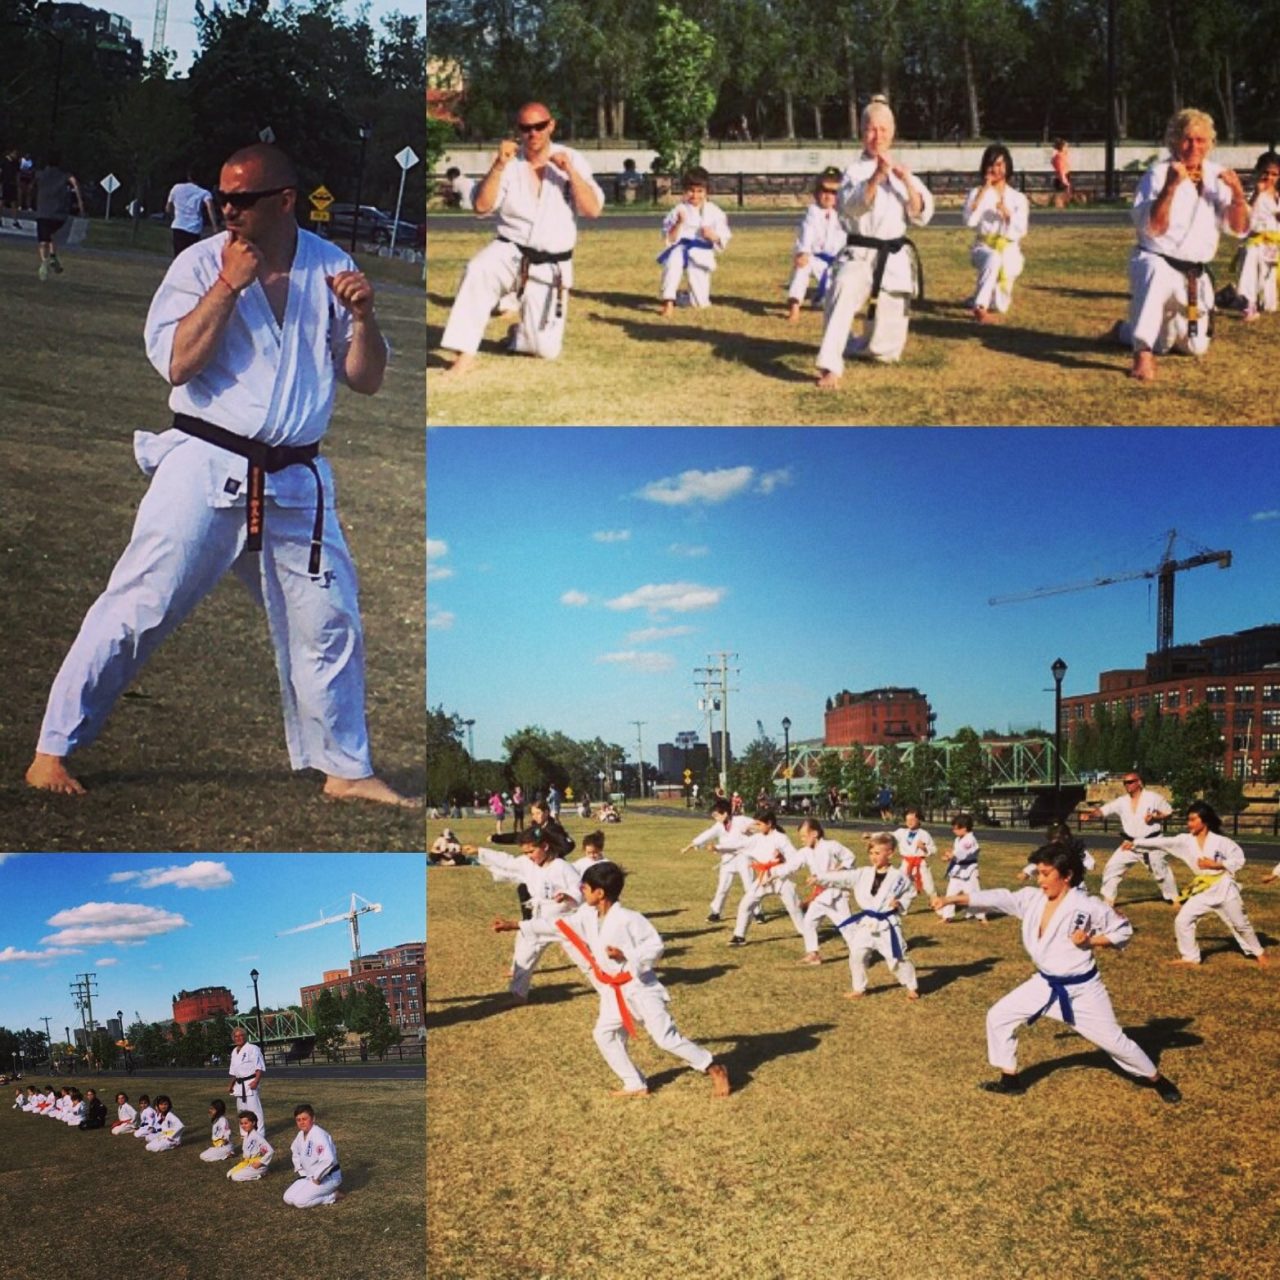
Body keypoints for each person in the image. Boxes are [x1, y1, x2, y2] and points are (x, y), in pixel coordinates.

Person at [24, 143, 416, 808]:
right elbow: (178, 364)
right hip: (204, 464)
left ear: (285, 201)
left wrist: (364, 319)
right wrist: (228, 284)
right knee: (140, 606)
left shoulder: (331, 266)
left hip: (296, 477)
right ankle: (51, 751)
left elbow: (367, 380)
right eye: (221, 198)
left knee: (329, 620)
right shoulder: (199, 264)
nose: (226, 210)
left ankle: (346, 769)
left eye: (242, 200)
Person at [931, 842, 1181, 1102]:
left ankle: (1156, 1079)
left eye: (1046, 873)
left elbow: (1123, 930)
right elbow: (998, 897)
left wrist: (1090, 942)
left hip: (1082, 989)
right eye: (1038, 872)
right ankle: (1010, 1079)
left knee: (1114, 1042)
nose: (1040, 880)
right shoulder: (1032, 899)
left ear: (1067, 875)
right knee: (999, 1016)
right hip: (1044, 983)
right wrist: (951, 899)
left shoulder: (1088, 906)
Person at [494, 861, 731, 1098]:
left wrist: (626, 954)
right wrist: (516, 925)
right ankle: (635, 1083)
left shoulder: (630, 918)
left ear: (600, 893)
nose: (581, 892)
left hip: (639, 988)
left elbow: (655, 947)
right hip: (612, 990)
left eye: (585, 888)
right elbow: (559, 925)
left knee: (665, 1038)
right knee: (604, 1034)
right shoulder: (587, 915)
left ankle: (713, 1067)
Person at [439, 102, 604, 373]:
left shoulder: (571, 159)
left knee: (544, 350)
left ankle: (519, 335)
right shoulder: (510, 164)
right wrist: (498, 165)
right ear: (518, 131)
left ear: (551, 125)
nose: (533, 133)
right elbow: (481, 207)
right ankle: (464, 354)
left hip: (552, 261)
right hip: (510, 250)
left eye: (539, 126)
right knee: (479, 269)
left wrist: (570, 173)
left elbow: (593, 209)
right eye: (526, 128)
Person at [1110, 108, 1249, 382]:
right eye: (1187, 139)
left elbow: (1238, 227)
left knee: (1192, 346)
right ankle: (1142, 352)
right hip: (1158, 259)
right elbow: (1153, 227)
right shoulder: (1158, 173)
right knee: (1154, 278)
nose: (1194, 146)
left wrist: (1238, 193)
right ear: (1174, 140)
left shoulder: (1218, 175)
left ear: (1211, 143)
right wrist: (1171, 188)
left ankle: (1124, 331)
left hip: (1194, 272)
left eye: (1201, 140)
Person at [815, 96, 933, 387]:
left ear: (892, 133)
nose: (877, 136)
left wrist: (904, 181)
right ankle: (830, 365)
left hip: (892, 259)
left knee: (885, 352)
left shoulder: (904, 172)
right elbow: (850, 207)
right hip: (859, 253)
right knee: (842, 289)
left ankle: (857, 344)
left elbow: (921, 215)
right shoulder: (854, 172)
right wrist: (875, 179)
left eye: (883, 129)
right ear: (861, 132)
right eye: (870, 129)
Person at [1126, 801, 1269, 967]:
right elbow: (1162, 842)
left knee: (1240, 924)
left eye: (1193, 820)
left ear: (1204, 821)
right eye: (1188, 820)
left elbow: (1239, 859)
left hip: (1224, 888)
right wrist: (1135, 843)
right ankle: (1190, 957)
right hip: (1203, 890)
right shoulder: (1185, 841)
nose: (1189, 824)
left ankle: (1260, 954)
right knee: (1183, 921)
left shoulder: (1222, 842)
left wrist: (1217, 865)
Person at [468, 828, 585, 1002]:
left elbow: (580, 889)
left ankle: (610, 985)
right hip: (538, 919)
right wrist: (480, 851)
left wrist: (568, 896)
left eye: (532, 851)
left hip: (564, 921)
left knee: (586, 958)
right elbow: (506, 861)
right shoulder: (526, 863)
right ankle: (518, 993)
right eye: (525, 852)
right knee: (524, 955)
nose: (529, 856)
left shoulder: (562, 867)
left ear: (545, 846)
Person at [816, 831, 920, 998]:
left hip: (887, 924)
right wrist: (820, 878)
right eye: (871, 853)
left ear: (890, 853)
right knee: (856, 954)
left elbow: (911, 892)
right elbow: (842, 878)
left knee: (897, 957)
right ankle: (859, 988)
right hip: (867, 923)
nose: (873, 856)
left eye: (877, 853)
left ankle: (911, 986)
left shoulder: (899, 877)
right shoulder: (863, 873)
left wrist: (900, 903)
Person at [1082, 772, 1176, 908]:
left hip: (1152, 842)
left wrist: (1156, 818)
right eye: (1125, 782)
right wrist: (1090, 816)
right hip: (1130, 844)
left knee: (1161, 871)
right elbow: (1103, 810)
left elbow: (1169, 813)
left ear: (1139, 782)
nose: (1127, 785)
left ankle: (1174, 899)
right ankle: (1108, 900)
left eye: (1130, 782)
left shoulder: (1153, 798)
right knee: (1112, 867)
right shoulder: (1122, 801)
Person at [963, 144, 1029, 322]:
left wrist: (1007, 214)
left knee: (1000, 305)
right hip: (983, 247)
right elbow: (969, 221)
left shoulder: (1018, 198)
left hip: (1009, 250)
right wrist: (984, 190)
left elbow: (1021, 229)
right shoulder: (977, 193)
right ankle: (980, 307)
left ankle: (977, 298)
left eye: (1000, 164)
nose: (995, 169)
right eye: (992, 164)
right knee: (993, 258)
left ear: (1007, 167)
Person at [658, 167, 731, 316]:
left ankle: (683, 297)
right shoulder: (678, 210)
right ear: (684, 191)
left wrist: (713, 236)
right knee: (673, 264)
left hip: (701, 252)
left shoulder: (715, 212)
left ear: (706, 192)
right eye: (691, 190)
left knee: (700, 304)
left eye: (699, 191)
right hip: (680, 248)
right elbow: (669, 239)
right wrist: (678, 224)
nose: (695, 195)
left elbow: (723, 237)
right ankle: (668, 302)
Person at [728, 808, 806, 947]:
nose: (756, 827)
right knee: (746, 903)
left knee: (794, 908)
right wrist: (718, 848)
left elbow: (795, 859)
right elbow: (739, 845)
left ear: (769, 823)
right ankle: (739, 936)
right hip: (764, 879)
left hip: (782, 879)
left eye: (759, 824)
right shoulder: (758, 838)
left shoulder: (781, 838)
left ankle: (807, 933)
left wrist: (782, 859)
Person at [679, 796, 757, 923]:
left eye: (716, 815)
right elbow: (706, 834)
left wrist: (751, 828)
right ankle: (716, 912)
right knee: (722, 887)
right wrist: (690, 845)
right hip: (727, 859)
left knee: (749, 886)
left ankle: (758, 912)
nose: (715, 818)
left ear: (725, 813)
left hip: (744, 857)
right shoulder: (719, 826)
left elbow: (760, 825)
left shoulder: (741, 820)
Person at [786, 169, 848, 322]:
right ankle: (794, 307)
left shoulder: (844, 214)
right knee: (802, 268)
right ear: (816, 192)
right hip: (814, 257)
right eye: (824, 191)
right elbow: (807, 232)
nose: (828, 196)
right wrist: (804, 252)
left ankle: (820, 298)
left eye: (834, 192)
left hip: (837, 263)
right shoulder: (813, 211)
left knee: (834, 298)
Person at [794, 818, 857, 965]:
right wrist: (775, 872)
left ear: (815, 833)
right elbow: (792, 865)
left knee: (846, 926)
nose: (802, 839)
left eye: (804, 836)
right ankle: (813, 954)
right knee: (809, 922)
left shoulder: (831, 846)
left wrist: (839, 870)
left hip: (836, 894)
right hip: (821, 895)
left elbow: (850, 857)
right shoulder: (807, 852)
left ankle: (861, 954)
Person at [1236, 150, 1280, 321]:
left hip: (1274, 246)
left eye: (1274, 174)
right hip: (1256, 241)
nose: (1269, 177)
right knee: (1250, 254)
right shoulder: (1250, 192)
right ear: (1259, 171)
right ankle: (1249, 304)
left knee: (1269, 306)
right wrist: (1256, 194)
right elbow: (1243, 220)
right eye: (1266, 173)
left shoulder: (1278, 196)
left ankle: (1233, 295)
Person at [32, 153, 85, 281]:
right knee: (52, 234)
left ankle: (44, 262)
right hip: (59, 213)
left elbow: (31, 184)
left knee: (43, 240)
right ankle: (53, 255)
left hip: (43, 211)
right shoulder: (64, 175)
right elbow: (75, 183)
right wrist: (80, 202)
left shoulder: (41, 174)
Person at [284, 1104, 343, 1207]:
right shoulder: (300, 1135)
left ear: (313, 1118)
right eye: (298, 1120)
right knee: (288, 1198)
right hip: (309, 1176)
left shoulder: (319, 1135)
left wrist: (317, 1177)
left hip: (328, 1177)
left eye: (304, 1119)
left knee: (300, 1202)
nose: (301, 1122)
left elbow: (329, 1159)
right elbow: (295, 1151)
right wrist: (301, 1171)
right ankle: (313, 1188)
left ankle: (332, 1196)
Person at [938, 813, 986, 922]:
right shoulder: (958, 839)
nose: (953, 831)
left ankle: (982, 917)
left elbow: (963, 852)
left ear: (964, 828)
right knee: (950, 894)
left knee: (974, 894)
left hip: (969, 871)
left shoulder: (970, 839)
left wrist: (952, 855)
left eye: (956, 828)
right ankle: (947, 916)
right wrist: (949, 856)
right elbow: (957, 853)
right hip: (957, 871)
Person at [166, 167, 218, 257]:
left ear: (189, 177)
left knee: (178, 256)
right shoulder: (204, 193)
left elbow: (168, 207)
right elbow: (210, 208)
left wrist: (173, 215)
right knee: (190, 256)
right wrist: (215, 226)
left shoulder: (176, 188)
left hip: (178, 225)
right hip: (194, 228)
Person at [891, 809, 937, 902]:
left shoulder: (924, 834)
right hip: (906, 863)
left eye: (912, 819)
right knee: (899, 883)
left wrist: (924, 848)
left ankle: (937, 903)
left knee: (929, 886)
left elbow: (934, 849)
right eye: (907, 820)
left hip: (920, 864)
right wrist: (872, 836)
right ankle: (896, 905)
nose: (909, 822)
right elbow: (888, 836)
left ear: (919, 820)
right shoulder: (901, 832)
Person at [227, 1026, 266, 1133]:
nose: (239, 1038)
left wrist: (256, 1081)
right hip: (239, 1086)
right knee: (241, 1111)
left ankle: (259, 1134)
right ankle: (245, 1134)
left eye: (241, 1035)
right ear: (233, 1038)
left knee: (255, 1111)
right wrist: (231, 1085)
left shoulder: (253, 1048)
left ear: (245, 1037)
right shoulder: (234, 1052)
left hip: (250, 1083)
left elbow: (259, 1067)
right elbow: (234, 1072)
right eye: (236, 1036)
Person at [227, 1111, 274, 1181]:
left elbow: (270, 1151)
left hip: (257, 1166)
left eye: (246, 1123)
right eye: (241, 1123)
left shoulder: (258, 1137)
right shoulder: (247, 1136)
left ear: (253, 1123)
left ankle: (261, 1174)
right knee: (229, 1174)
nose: (243, 1126)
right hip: (248, 1163)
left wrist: (260, 1162)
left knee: (235, 1177)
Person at [1050, 138, 1072, 209]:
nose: (1067, 148)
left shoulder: (1061, 155)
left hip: (1063, 176)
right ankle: (1060, 209)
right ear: (1062, 147)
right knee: (1061, 196)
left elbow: (1053, 162)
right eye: (1066, 146)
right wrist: (1065, 181)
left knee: (1063, 196)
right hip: (1062, 177)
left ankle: (1061, 208)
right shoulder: (1060, 156)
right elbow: (1061, 170)